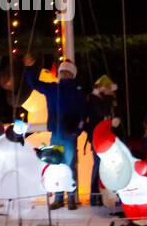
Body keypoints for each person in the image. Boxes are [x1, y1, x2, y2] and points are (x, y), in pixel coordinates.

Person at [23, 54, 85, 209]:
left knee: (67, 165)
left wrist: (77, 130)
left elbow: (83, 113)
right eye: (62, 71)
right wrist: (29, 68)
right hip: (59, 134)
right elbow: (34, 83)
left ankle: (70, 198)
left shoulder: (74, 91)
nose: (63, 74)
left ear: (70, 74)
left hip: (68, 134)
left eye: (65, 72)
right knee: (57, 165)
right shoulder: (54, 88)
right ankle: (60, 198)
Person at [84, 75, 120, 206]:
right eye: (108, 88)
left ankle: (108, 197)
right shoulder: (94, 99)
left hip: (108, 139)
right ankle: (95, 197)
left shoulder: (106, 100)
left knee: (109, 167)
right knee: (98, 165)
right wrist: (108, 98)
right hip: (98, 139)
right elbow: (102, 113)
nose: (111, 91)